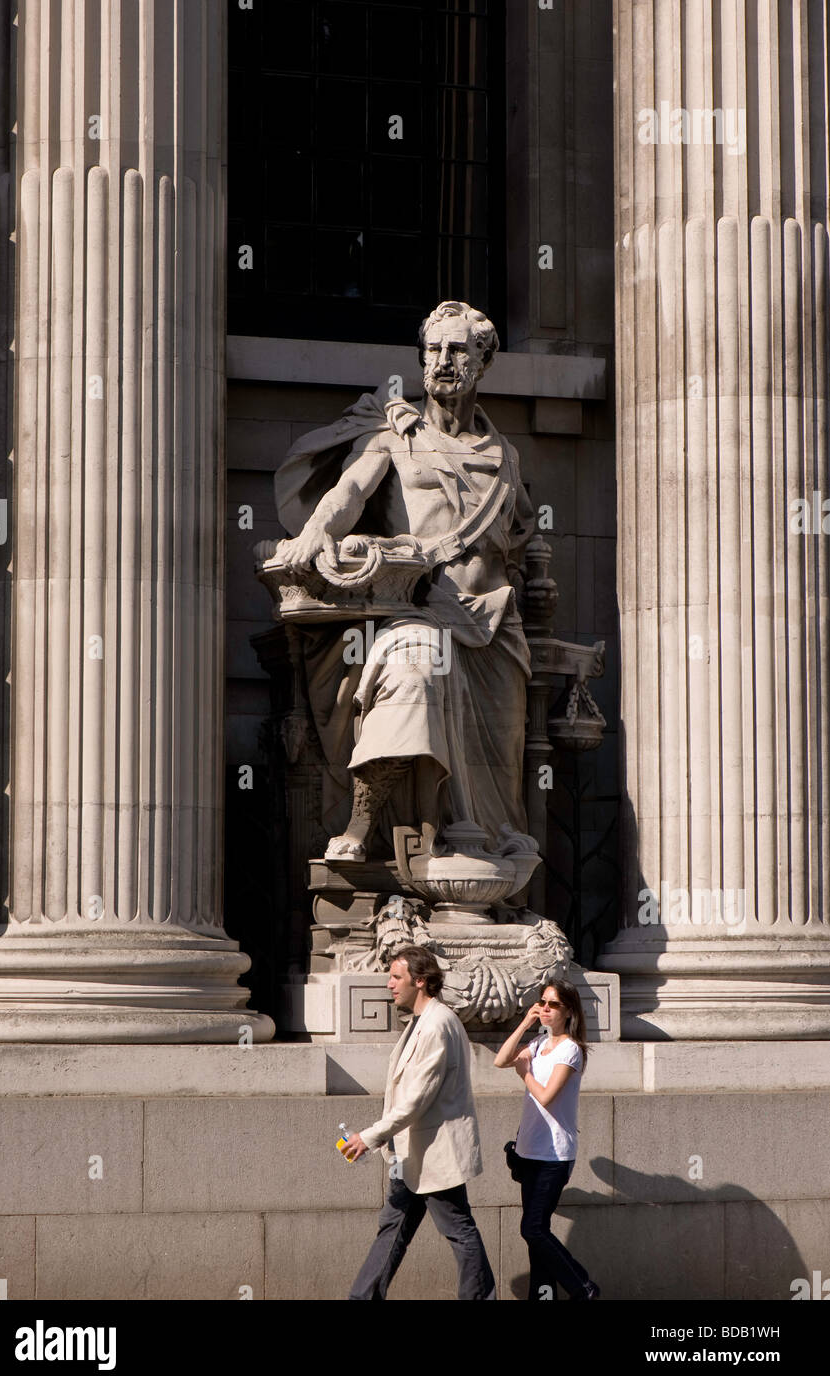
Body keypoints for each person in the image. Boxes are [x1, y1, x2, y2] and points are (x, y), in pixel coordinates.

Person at [271, 300, 536, 864]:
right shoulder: (394, 437)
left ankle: (491, 856)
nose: (443, 361)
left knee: (501, 763)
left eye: (458, 350)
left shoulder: (505, 455)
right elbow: (349, 494)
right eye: (433, 350)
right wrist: (317, 530)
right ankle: (361, 828)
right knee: (412, 676)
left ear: (483, 362)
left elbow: (519, 536)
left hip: (495, 622)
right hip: (417, 607)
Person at [342, 945, 496, 1300]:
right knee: (393, 1227)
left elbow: (416, 1099)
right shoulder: (422, 1022)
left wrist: (369, 1136)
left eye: (397, 977)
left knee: (458, 1230)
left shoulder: (437, 1025)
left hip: (434, 1153)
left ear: (421, 981)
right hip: (411, 1153)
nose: (389, 985)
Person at [494, 977, 600, 1300]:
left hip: (554, 1155)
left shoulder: (571, 1050)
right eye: (543, 1002)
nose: (546, 1009)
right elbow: (500, 1059)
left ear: (568, 1011)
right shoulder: (539, 1044)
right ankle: (543, 1297)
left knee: (533, 1229)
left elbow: (546, 1096)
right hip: (528, 1152)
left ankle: (583, 1287)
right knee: (537, 1236)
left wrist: (524, 1073)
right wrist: (526, 1020)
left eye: (553, 1004)